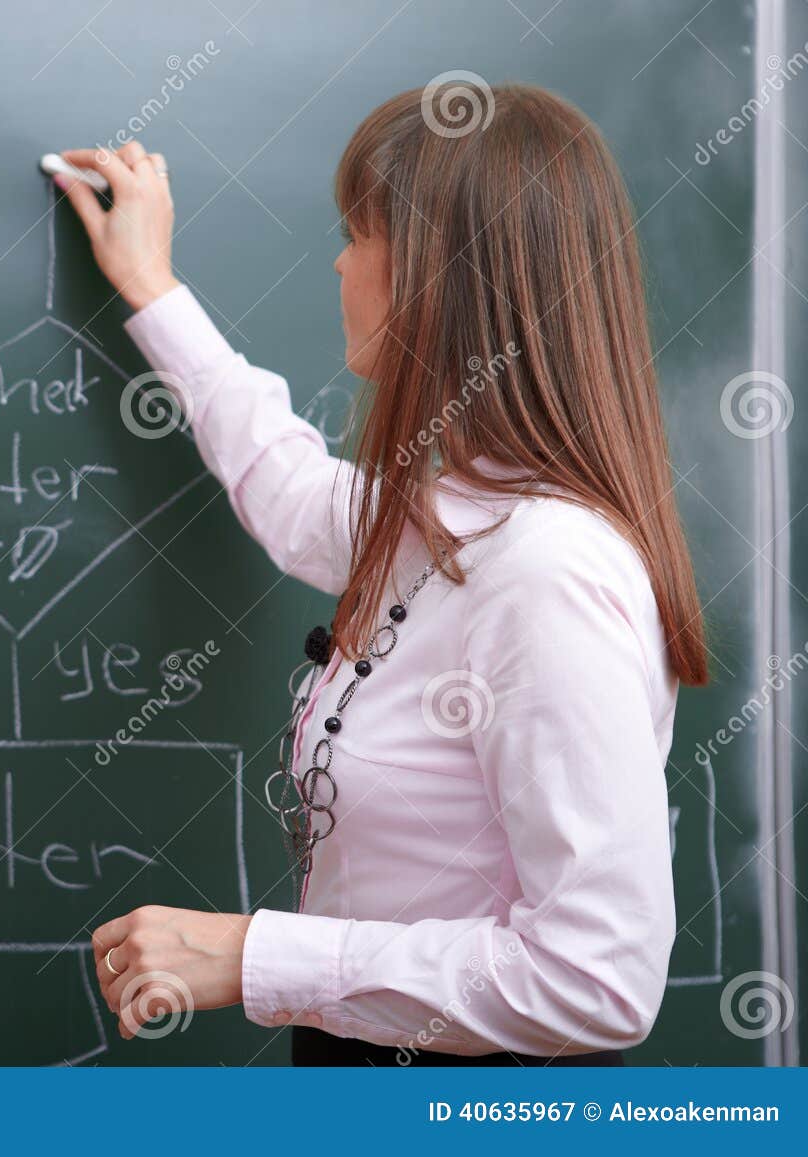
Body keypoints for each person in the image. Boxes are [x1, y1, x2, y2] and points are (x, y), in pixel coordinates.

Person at [55, 84, 708, 1065]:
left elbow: (596, 978)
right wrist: (152, 288)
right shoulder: (446, 519)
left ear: (438, 278)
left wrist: (254, 952)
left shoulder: (546, 571)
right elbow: (283, 483)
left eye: (360, 233)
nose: (338, 261)